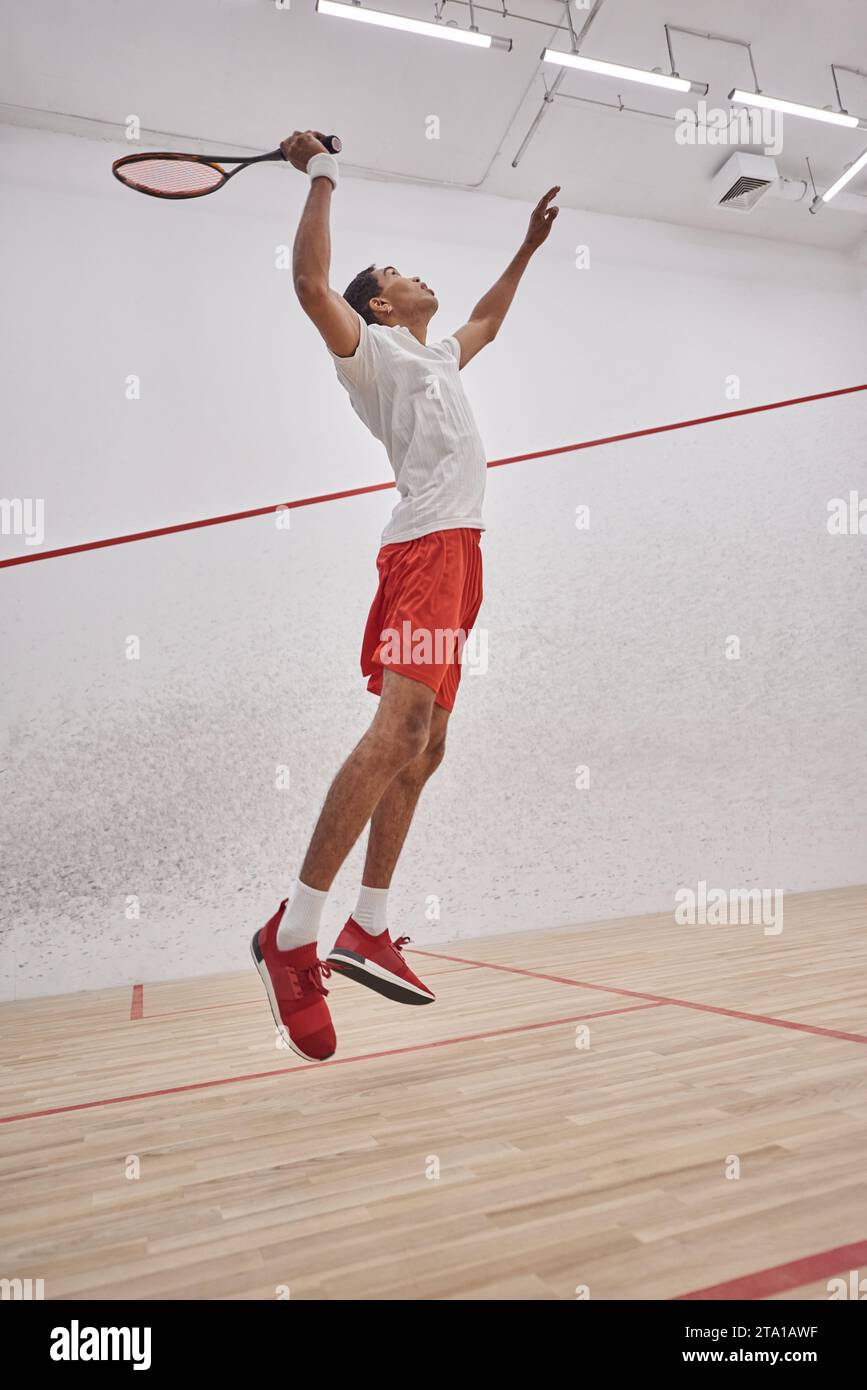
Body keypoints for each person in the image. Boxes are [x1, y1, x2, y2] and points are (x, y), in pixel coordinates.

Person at [252, 130, 560, 1061]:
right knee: (400, 730)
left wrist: (527, 251)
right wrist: (321, 171)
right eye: (402, 270)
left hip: (464, 559)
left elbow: (489, 321)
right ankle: (293, 933)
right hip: (425, 553)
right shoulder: (373, 352)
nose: (421, 277)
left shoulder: (439, 358)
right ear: (383, 302)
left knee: (425, 750)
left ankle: (367, 926)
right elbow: (311, 286)